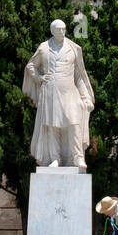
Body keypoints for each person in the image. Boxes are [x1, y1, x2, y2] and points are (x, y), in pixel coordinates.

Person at [23, 20, 95, 169]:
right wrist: (39, 77)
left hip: (70, 92)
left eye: (64, 29)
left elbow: (79, 76)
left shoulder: (73, 48)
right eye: (59, 30)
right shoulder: (44, 48)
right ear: (52, 31)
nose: (62, 32)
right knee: (52, 126)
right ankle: (55, 158)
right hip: (50, 92)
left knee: (74, 123)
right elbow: (30, 65)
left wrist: (86, 97)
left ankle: (78, 157)